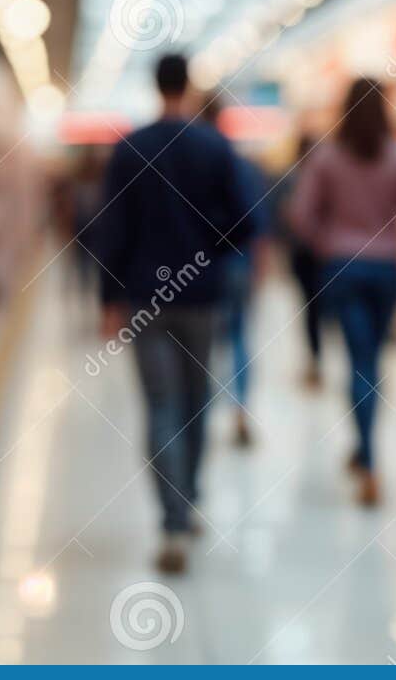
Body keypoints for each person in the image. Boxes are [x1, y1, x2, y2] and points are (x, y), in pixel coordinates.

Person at [93, 54, 256, 574]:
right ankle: (188, 499)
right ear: (187, 86)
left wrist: (109, 298)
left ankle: (172, 523)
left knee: (160, 404)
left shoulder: (130, 149)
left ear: (154, 85)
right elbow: (246, 220)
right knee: (195, 401)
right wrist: (210, 248)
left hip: (146, 298)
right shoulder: (214, 146)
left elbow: (111, 229)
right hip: (201, 295)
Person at [289, 78, 396, 507]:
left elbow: (300, 215)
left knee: (357, 362)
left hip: (342, 268)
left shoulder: (326, 158)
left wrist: (327, 242)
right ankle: (366, 452)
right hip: (386, 269)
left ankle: (368, 458)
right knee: (372, 363)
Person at [199, 94, 270, 447]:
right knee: (240, 335)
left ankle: (200, 413)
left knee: (204, 341)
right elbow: (258, 223)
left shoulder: (192, 165)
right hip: (240, 264)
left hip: (203, 269)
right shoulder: (242, 164)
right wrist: (261, 265)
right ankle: (240, 409)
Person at [272, 133, 326, 389]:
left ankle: (316, 359)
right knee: (313, 307)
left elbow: (286, 216)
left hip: (311, 253)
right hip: (313, 254)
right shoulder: (298, 179)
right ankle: (315, 358)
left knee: (312, 308)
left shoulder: (296, 179)